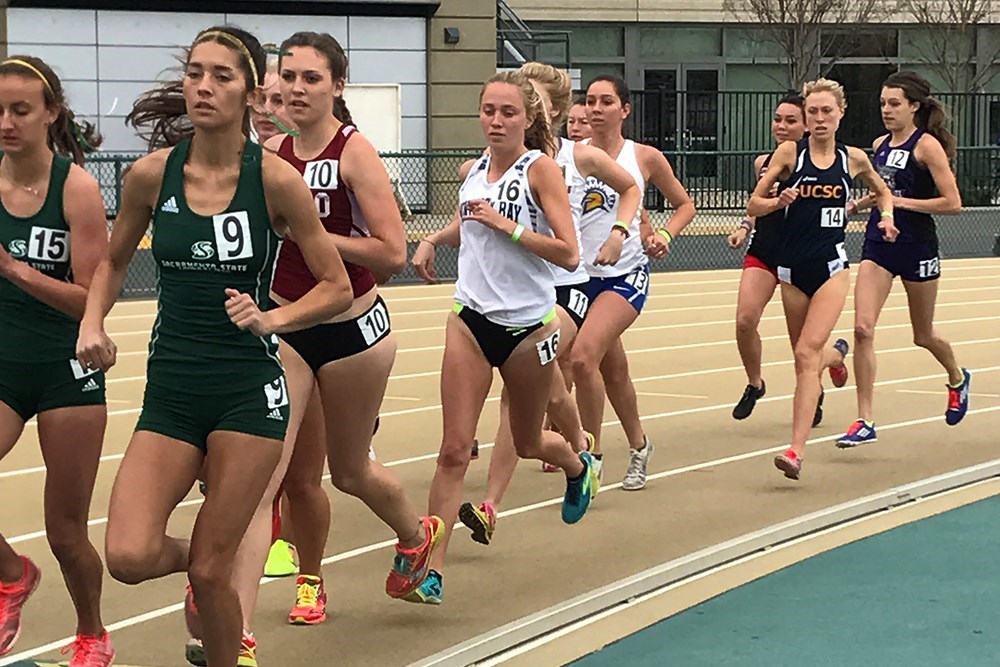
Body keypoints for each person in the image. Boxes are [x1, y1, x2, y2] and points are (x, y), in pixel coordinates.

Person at [76, 26, 354, 667]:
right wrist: (92, 323)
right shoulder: (151, 177)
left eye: (221, 76)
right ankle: (209, 567)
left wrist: (273, 320)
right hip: (171, 392)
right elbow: (113, 265)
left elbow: (336, 286)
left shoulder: (278, 181)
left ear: (252, 91)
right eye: (195, 73)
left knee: (209, 571)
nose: (203, 86)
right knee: (130, 556)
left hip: (247, 395)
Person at [260, 31, 442, 629]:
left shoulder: (352, 151)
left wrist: (309, 231)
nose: (297, 88)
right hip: (288, 323)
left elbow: (391, 252)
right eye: (289, 76)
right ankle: (309, 582)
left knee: (351, 471)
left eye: (312, 78)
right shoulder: (271, 152)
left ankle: (416, 534)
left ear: (338, 85)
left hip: (352, 329)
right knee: (286, 472)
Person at [410, 69, 598, 605]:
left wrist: (507, 226)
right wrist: (432, 241)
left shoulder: (539, 171)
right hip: (469, 319)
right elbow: (466, 223)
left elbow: (568, 253)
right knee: (452, 449)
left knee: (527, 439)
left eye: (508, 112)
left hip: (527, 328)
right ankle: (433, 571)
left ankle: (577, 463)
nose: (496, 121)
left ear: (527, 118)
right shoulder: (471, 171)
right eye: (488, 110)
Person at [452, 62, 642, 546]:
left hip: (567, 285)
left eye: (525, 99)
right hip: (513, 289)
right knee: (549, 392)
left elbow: (631, 188)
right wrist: (437, 236)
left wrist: (621, 233)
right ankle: (580, 455)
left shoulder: (579, 157)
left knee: (524, 392)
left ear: (550, 109)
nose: (511, 109)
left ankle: (497, 501)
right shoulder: (499, 159)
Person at [0, 56, 114, 666]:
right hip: (4, 364)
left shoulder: (77, 188)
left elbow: (91, 300)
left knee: (67, 532)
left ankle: (92, 631)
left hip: (67, 370)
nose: (7, 123)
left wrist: (15, 268)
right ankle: (13, 575)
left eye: (20, 110)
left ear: (50, 113)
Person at [747, 78, 896, 480]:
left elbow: (883, 192)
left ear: (840, 114)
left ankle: (795, 450)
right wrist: (778, 200)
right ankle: (838, 355)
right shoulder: (790, 154)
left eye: (826, 111)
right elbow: (754, 204)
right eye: (812, 112)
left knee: (802, 356)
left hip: (831, 268)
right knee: (808, 355)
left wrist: (886, 217)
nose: (818, 118)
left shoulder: (854, 159)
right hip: (792, 271)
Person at [572, 74, 695, 491]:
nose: (595, 108)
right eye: (589, 101)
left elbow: (684, 204)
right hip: (577, 277)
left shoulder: (644, 157)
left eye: (606, 101)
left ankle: (590, 457)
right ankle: (640, 446)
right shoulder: (572, 156)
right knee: (614, 370)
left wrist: (664, 235)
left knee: (583, 356)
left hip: (624, 276)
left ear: (624, 109)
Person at [838, 71, 968, 447]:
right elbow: (882, 190)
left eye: (894, 103)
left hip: (916, 246)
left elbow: (953, 203)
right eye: (882, 103)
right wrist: (858, 204)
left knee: (922, 334)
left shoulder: (926, 147)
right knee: (863, 328)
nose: (886, 110)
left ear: (914, 106)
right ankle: (864, 420)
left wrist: (900, 203)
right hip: (879, 244)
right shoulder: (878, 144)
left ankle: (957, 377)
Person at [726, 95, 846, 425]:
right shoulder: (765, 162)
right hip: (766, 251)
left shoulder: (825, 161)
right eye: (777, 119)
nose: (781, 126)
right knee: (744, 320)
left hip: (802, 258)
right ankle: (755, 383)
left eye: (791, 120)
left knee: (803, 348)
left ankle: (832, 361)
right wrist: (744, 226)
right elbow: (758, 202)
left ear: (807, 124)